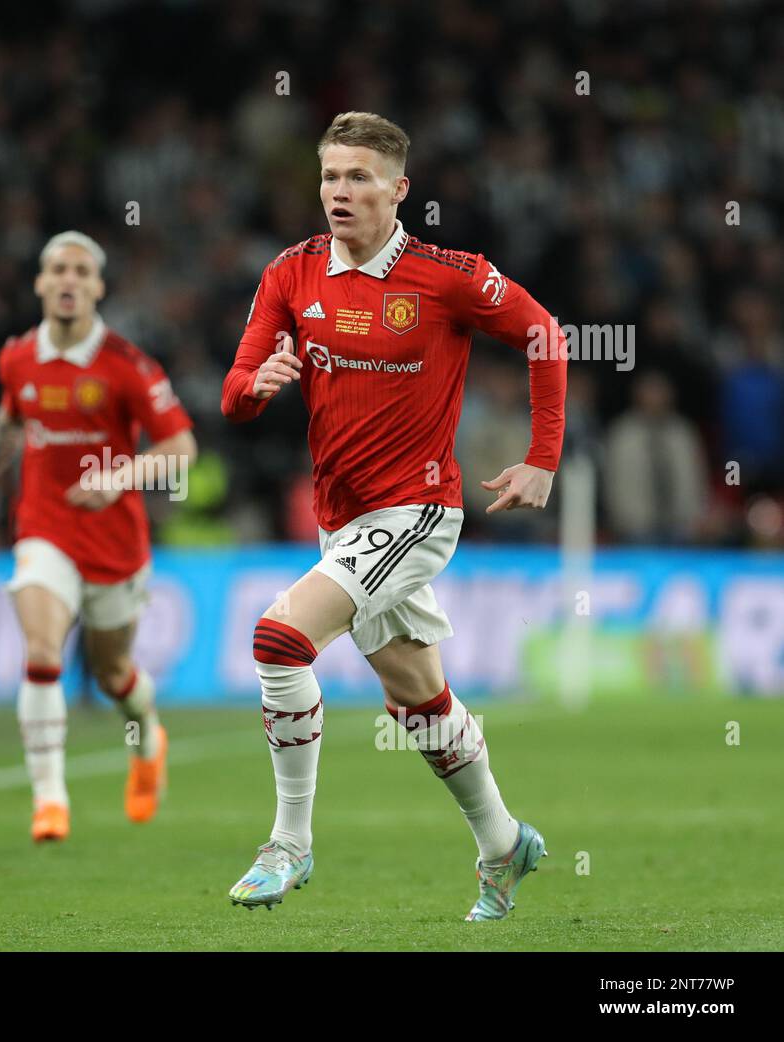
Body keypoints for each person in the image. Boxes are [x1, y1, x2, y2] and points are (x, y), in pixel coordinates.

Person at [221, 112, 568, 920]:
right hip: (339, 519)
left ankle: (289, 844)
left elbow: (546, 335)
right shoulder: (290, 273)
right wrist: (258, 386)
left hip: (417, 508)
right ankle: (503, 842)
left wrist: (542, 459)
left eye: (358, 178)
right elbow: (235, 396)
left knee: (278, 640)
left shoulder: (447, 276)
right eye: (330, 177)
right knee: (419, 701)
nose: (340, 192)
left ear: (398, 190)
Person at [0, 231, 196, 842]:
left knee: (114, 677)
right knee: (42, 652)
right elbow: (11, 420)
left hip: (114, 543)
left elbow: (181, 449)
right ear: (39, 283)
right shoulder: (17, 358)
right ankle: (50, 799)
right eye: (58, 269)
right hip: (43, 528)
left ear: (98, 288)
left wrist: (122, 476)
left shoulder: (128, 365)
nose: (69, 280)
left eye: (82, 271)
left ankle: (148, 741)